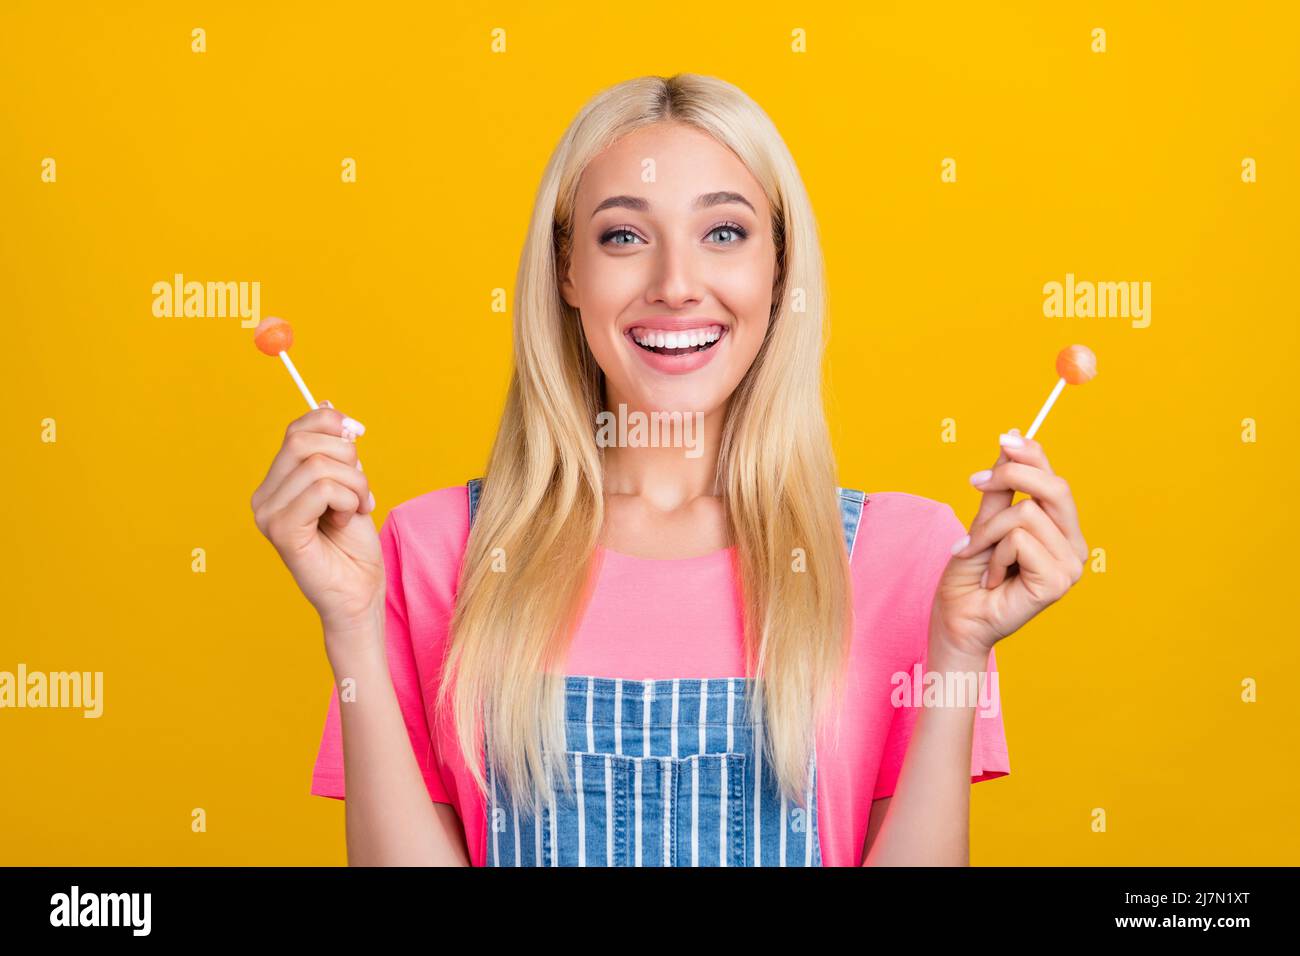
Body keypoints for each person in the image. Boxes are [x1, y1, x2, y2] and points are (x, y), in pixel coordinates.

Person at [251, 73, 1087, 867]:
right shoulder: (436, 551)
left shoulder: (908, 559)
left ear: (779, 270)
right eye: (624, 236)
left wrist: (960, 651)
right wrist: (353, 629)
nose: (677, 285)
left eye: (724, 233)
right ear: (568, 272)